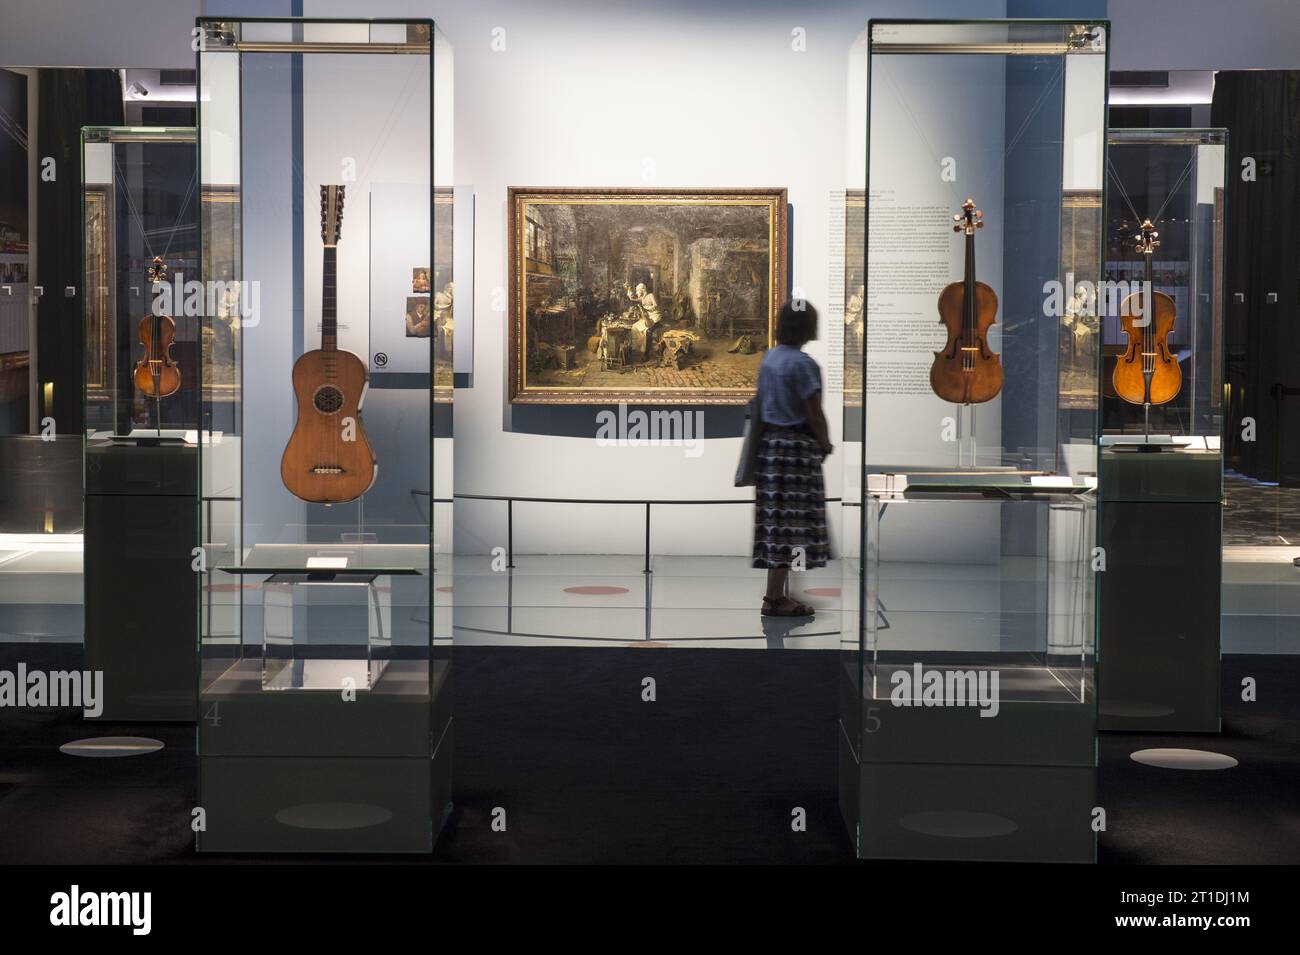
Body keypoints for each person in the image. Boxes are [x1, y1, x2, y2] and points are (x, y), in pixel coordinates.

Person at [752, 300, 831, 616]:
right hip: (795, 450)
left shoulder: (770, 358)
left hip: (770, 449)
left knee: (776, 525)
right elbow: (814, 411)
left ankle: (776, 594)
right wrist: (824, 442)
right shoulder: (803, 364)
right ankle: (775, 598)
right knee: (792, 526)